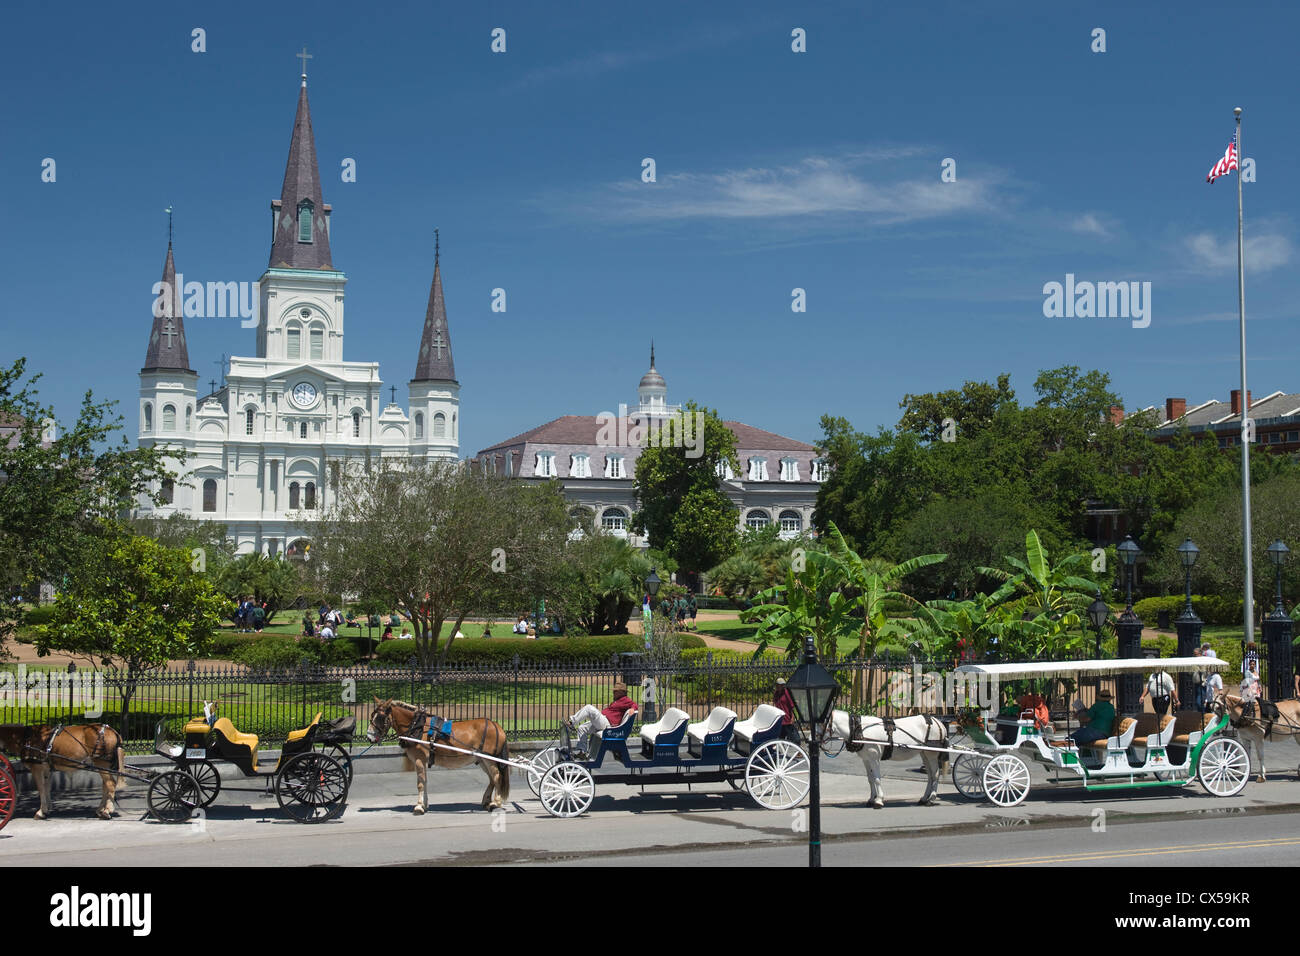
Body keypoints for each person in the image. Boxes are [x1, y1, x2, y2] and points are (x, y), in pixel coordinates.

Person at [564, 682, 638, 753]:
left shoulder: (625, 699)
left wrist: (632, 709)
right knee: (582, 728)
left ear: (622, 692)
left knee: (589, 708)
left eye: (616, 691)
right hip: (604, 721)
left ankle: (571, 723)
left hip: (608, 724)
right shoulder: (617, 700)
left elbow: (634, 704)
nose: (613, 693)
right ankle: (582, 752)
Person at [773, 677, 799, 741]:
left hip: (787, 720)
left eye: (782, 685)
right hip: (780, 720)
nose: (781, 686)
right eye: (779, 685)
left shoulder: (786, 693)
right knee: (780, 738)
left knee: (795, 738)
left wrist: (792, 718)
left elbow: (792, 706)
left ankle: (798, 749)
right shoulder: (776, 694)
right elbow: (775, 704)